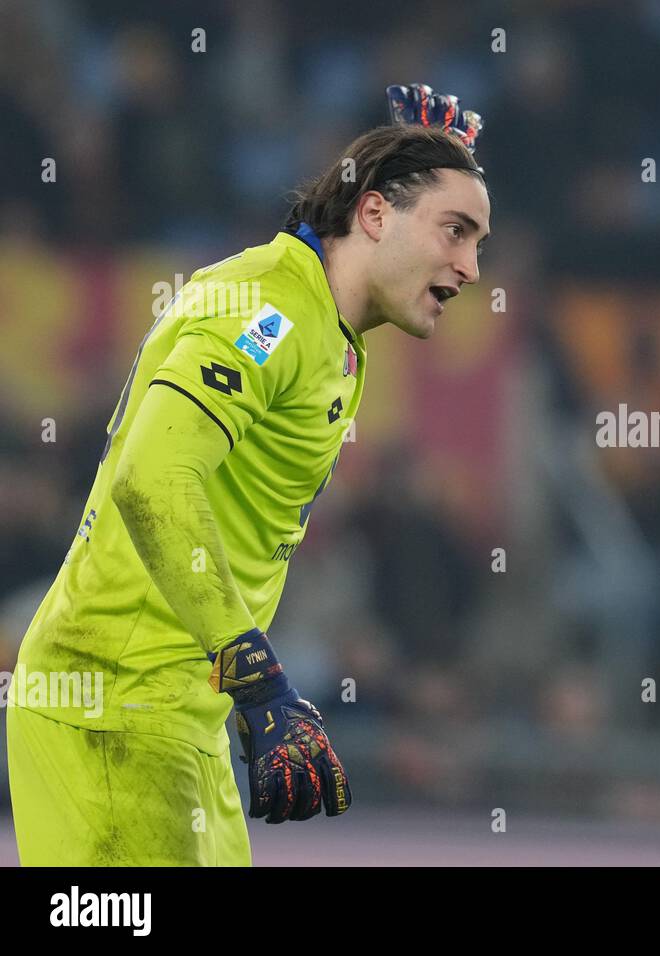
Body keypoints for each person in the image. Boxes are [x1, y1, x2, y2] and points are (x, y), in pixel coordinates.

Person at [6, 87, 490, 865]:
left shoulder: (332, 334)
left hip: (178, 717)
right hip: (112, 706)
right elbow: (151, 478)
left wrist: (427, 155)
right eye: (456, 232)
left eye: (479, 240)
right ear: (372, 215)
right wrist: (254, 672)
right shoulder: (267, 309)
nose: (470, 267)